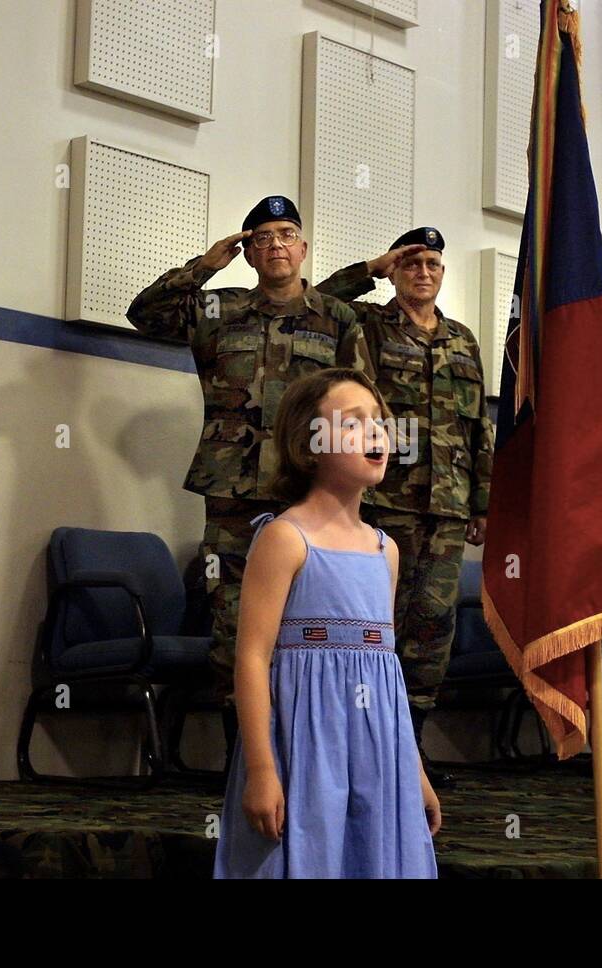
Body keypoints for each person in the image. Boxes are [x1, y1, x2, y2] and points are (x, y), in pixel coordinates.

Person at [125, 196, 374, 772]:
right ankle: (248, 763)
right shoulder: (219, 308)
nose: (276, 246)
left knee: (314, 622)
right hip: (233, 493)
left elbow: (359, 410)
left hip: (310, 492)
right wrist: (207, 264)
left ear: (303, 248)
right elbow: (147, 313)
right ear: (250, 252)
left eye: (286, 234)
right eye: (262, 238)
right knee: (235, 625)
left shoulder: (338, 319)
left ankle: (309, 761)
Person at [213, 367, 440, 878]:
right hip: (305, 752)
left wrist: (415, 771)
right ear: (309, 444)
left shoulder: (386, 550)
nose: (377, 433)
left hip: (379, 753)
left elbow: (386, 675)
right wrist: (263, 769)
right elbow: (251, 657)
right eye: (354, 423)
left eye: (380, 423)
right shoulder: (285, 538)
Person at [316, 227, 494, 788]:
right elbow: (318, 303)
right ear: (395, 271)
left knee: (432, 629)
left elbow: (477, 429)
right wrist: (371, 265)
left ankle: (407, 752)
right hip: (384, 500)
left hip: (447, 505)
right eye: (411, 263)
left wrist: (483, 501)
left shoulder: (463, 339)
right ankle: (363, 749)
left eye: (433, 264)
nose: (423, 272)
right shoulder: (367, 324)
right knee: (376, 625)